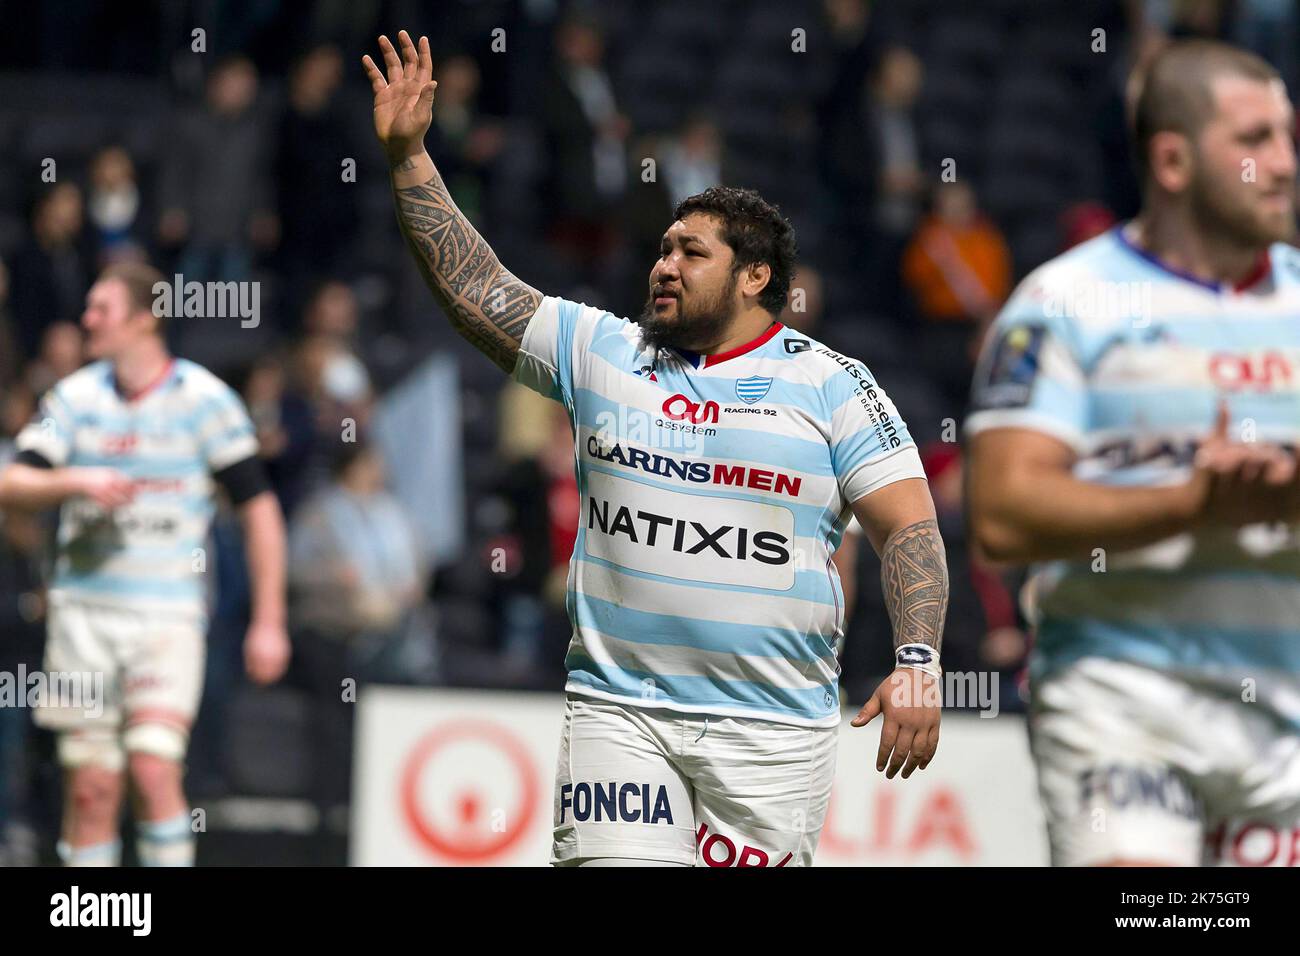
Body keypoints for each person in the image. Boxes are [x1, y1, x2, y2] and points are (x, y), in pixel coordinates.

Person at [363, 31, 947, 867]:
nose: (663, 265)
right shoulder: (602, 350)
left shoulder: (835, 386)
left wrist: (918, 660)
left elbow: (911, 531)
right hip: (620, 714)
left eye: (690, 252)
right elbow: (476, 289)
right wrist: (410, 157)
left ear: (754, 278)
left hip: (773, 728)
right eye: (663, 247)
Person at [966, 40, 1300, 867]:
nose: (1286, 163)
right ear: (1174, 160)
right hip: (1123, 704)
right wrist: (1192, 504)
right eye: (1255, 141)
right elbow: (1001, 518)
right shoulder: (1064, 303)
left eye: (1289, 136)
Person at [0, 262, 290, 866]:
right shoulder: (73, 397)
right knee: (91, 786)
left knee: (154, 769)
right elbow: (12, 481)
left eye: (101, 308)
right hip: (82, 615)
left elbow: (259, 511)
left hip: (168, 615)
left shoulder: (204, 399)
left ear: (144, 317)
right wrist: (76, 480)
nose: (87, 320)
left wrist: (269, 619)